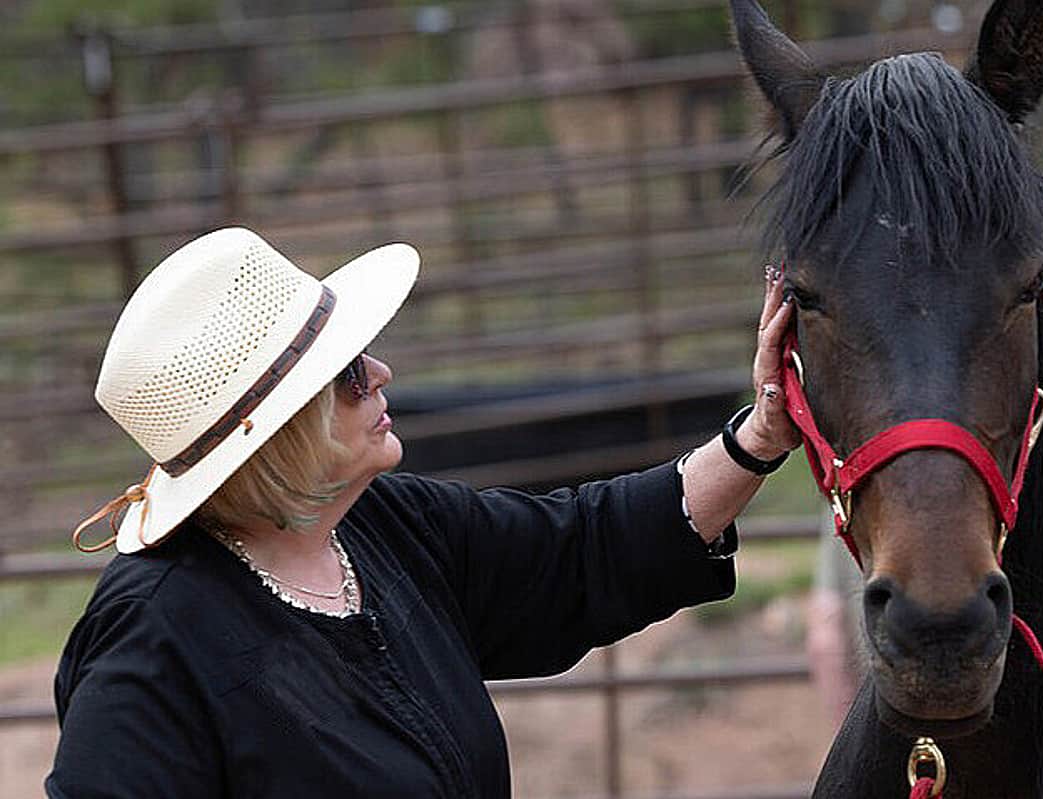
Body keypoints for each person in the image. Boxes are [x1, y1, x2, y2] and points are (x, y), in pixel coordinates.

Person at [46, 227, 802, 797]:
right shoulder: (153, 640)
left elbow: (580, 548)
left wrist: (759, 435)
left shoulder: (382, 526)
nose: (380, 372)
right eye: (347, 370)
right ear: (281, 429)